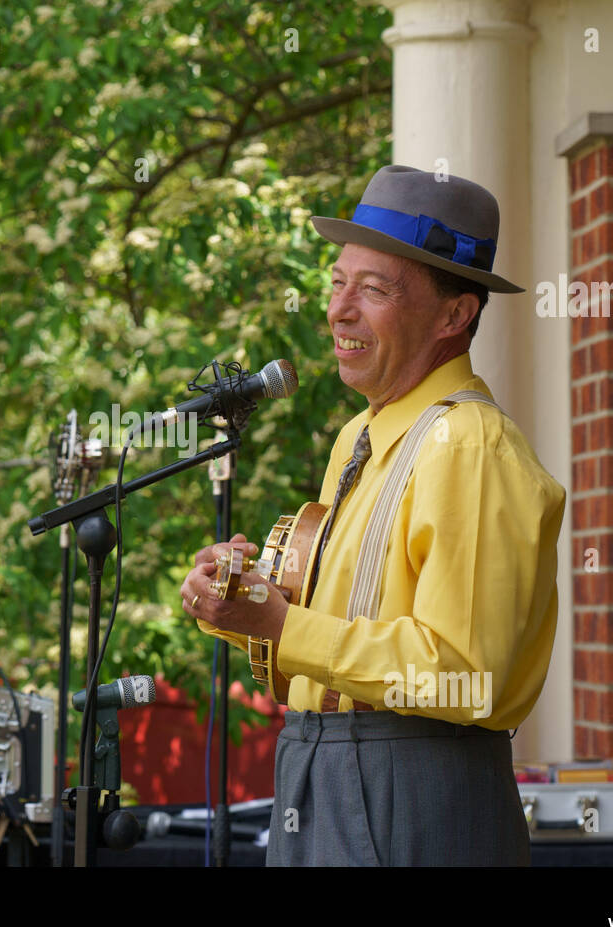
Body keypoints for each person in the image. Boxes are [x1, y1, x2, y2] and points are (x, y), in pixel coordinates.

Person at [181, 165, 566, 866]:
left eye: (374, 290)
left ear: (455, 315)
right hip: (322, 766)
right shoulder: (359, 435)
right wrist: (240, 605)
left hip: (414, 779)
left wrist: (282, 625)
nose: (339, 310)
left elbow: (465, 674)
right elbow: (335, 635)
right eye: (337, 283)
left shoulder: (469, 445)